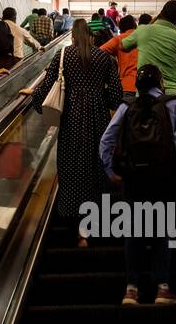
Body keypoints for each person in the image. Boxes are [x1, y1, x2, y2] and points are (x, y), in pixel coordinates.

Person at [100, 63, 176, 306]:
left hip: (133, 177)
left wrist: (110, 170)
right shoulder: (173, 104)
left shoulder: (126, 107)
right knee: (163, 229)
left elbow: (106, 140)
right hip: (165, 176)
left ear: (137, 86)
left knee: (133, 231)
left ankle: (131, 290)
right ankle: (162, 288)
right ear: (160, 83)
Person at [22, 21, 122, 245]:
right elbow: (116, 96)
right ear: (92, 37)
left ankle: (77, 225)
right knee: (96, 167)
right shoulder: (105, 59)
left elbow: (48, 84)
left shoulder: (63, 55)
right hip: (98, 119)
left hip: (71, 118)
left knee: (71, 166)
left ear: (74, 37)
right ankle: (94, 222)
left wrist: (33, 96)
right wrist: (97, 97)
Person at [121, 0, 176, 96]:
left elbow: (123, 46)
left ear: (161, 14)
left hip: (145, 95)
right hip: (170, 96)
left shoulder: (143, 30)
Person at [101, 14, 140, 104]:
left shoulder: (119, 39)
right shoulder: (144, 38)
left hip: (126, 86)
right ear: (135, 26)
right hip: (146, 86)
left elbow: (99, 52)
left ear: (121, 28)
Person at [0, 6, 40, 72]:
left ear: (3, 16)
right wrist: (39, 46)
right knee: (15, 81)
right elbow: (32, 41)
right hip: (14, 61)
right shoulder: (19, 29)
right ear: (15, 17)